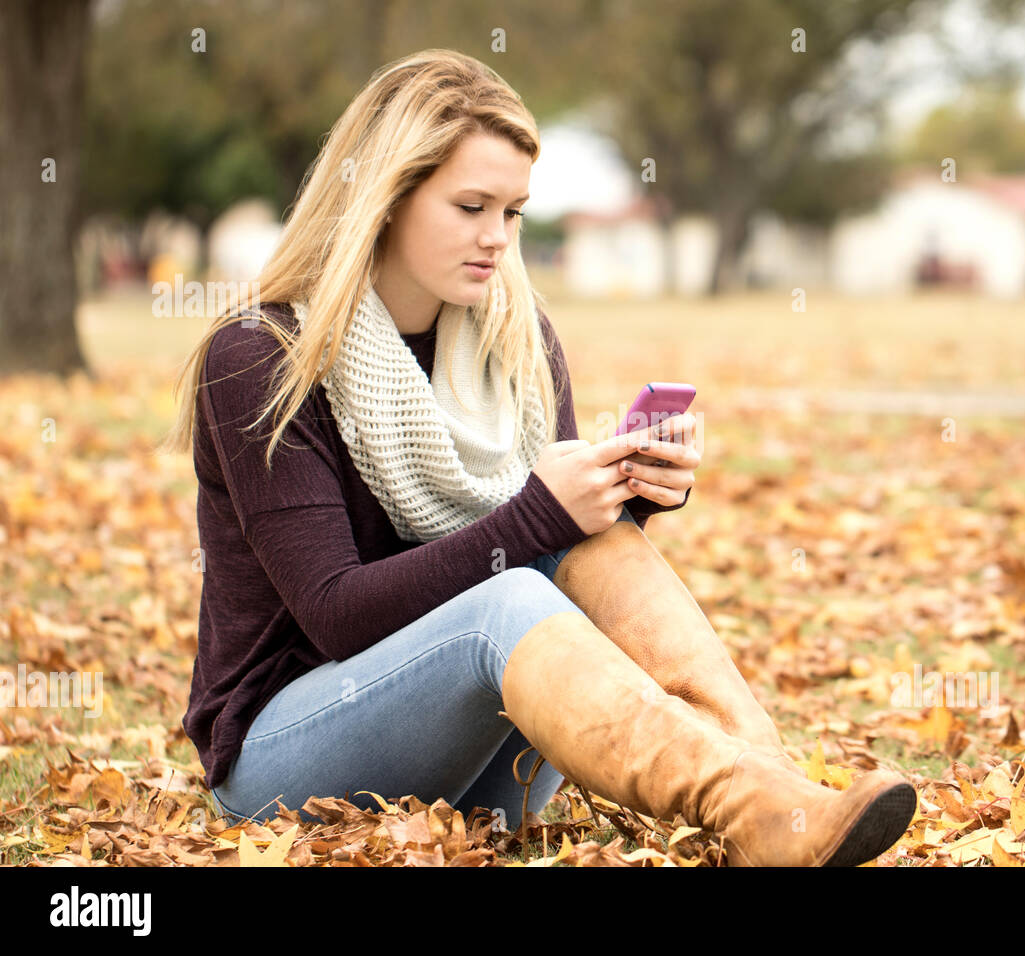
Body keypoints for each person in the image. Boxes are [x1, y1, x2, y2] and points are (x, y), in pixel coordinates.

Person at [162, 49, 916, 865]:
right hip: (287, 766)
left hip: (484, 773)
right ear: (384, 198)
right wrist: (537, 517)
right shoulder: (262, 357)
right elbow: (338, 614)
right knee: (510, 592)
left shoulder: (513, 337)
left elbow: (554, 548)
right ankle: (744, 809)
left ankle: (774, 796)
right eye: (472, 206)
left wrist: (628, 495)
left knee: (597, 547)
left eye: (514, 211)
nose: (498, 238)